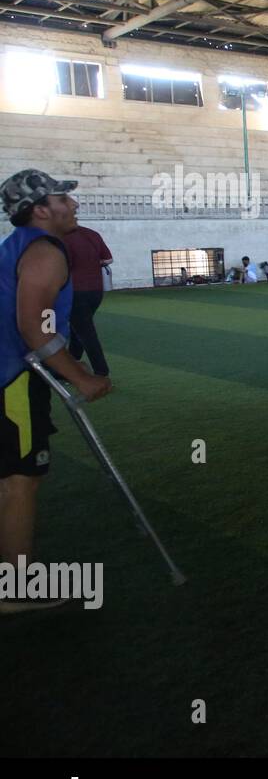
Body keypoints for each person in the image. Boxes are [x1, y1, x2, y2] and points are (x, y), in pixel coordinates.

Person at [0, 169, 112, 614]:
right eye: (63, 198)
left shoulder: (18, 246)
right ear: (41, 210)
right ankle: (15, 588)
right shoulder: (45, 252)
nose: (73, 204)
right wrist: (81, 376)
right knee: (20, 479)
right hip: (13, 378)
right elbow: (34, 326)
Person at [62, 222, 113, 377]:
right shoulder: (92, 234)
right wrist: (92, 263)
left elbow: (63, 265)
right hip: (96, 291)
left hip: (75, 291)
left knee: (85, 332)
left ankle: (101, 371)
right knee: (78, 328)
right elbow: (108, 259)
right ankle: (72, 362)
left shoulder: (62, 237)